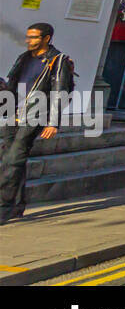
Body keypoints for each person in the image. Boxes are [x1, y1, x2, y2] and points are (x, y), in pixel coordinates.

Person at [2, 23, 75, 224]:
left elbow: (59, 93)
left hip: (35, 115)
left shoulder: (57, 60)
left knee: (12, 160)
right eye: (28, 37)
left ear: (47, 38)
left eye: (34, 37)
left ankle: (3, 206)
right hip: (13, 114)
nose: (29, 41)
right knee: (13, 159)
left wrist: (53, 123)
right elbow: (13, 85)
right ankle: (17, 204)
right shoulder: (23, 58)